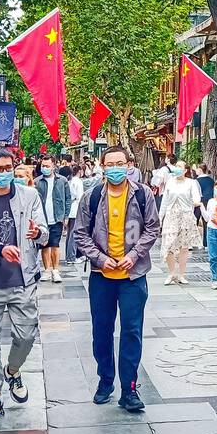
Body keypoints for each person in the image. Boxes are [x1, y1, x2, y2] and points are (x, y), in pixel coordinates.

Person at [74, 145, 161, 412]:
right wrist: (100, 259)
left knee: (132, 331)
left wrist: (134, 255)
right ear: (102, 166)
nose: (115, 168)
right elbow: (80, 234)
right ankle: (105, 380)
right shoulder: (92, 197)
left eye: (119, 163)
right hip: (102, 276)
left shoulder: (142, 194)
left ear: (128, 165)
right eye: (110, 163)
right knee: (102, 330)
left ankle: (130, 388)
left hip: (133, 276)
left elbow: (152, 228)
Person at [0, 147, 49, 421]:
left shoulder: (29, 196)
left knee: (26, 335)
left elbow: (44, 231)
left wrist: (38, 232)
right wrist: (0, 248)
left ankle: (12, 371)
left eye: (8, 168)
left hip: (23, 279)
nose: (4, 173)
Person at [159, 159, 202, 285]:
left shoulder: (191, 183)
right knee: (168, 244)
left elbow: (196, 198)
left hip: (185, 216)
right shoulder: (170, 182)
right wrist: (160, 217)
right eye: (176, 166)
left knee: (184, 246)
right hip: (171, 215)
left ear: (185, 170)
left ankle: (181, 274)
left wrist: (195, 201)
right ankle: (171, 273)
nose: (177, 168)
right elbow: (165, 201)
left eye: (180, 166)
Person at [36, 156, 72, 283]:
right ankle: (46, 270)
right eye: (43, 166)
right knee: (44, 245)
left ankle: (55, 270)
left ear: (53, 166)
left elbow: (68, 199)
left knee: (55, 244)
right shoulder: (37, 182)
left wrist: (66, 216)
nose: (44, 168)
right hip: (42, 219)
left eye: (47, 166)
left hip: (57, 217)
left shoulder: (62, 181)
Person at [64, 164, 85, 264]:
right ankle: (71, 257)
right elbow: (80, 197)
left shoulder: (69, 181)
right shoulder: (78, 182)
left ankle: (69, 255)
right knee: (73, 234)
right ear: (79, 171)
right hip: (75, 209)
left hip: (70, 209)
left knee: (69, 234)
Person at [195, 163, 216, 249]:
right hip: (209, 202)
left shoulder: (196, 181)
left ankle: (193, 242)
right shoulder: (211, 180)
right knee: (206, 222)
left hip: (198, 201)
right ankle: (206, 242)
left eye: (196, 169)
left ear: (200, 170)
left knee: (194, 221)